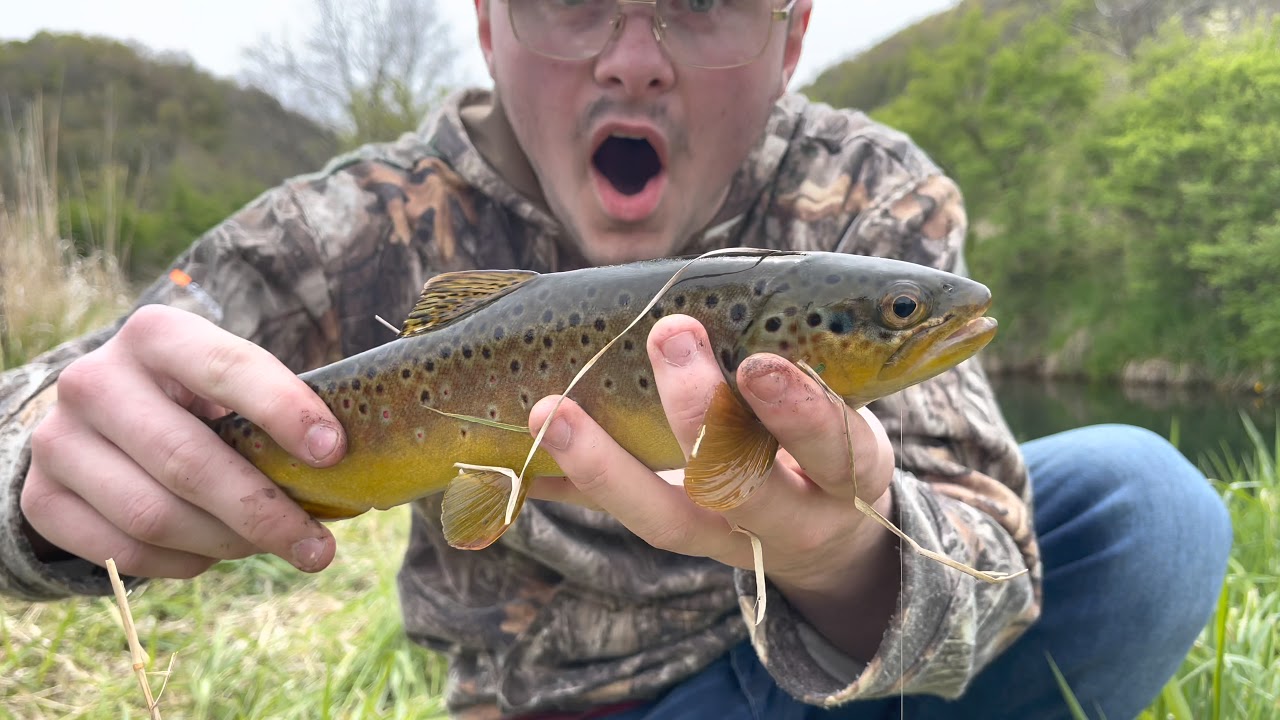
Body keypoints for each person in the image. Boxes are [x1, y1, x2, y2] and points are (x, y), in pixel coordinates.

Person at [0, 1, 1232, 718]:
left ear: (789, 35)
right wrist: (50, 485)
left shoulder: (867, 196)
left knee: (1147, 508)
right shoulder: (352, 227)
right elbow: (48, 407)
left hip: (828, 684)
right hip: (545, 706)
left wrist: (846, 558)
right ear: (488, 23)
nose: (632, 54)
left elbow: (989, 550)